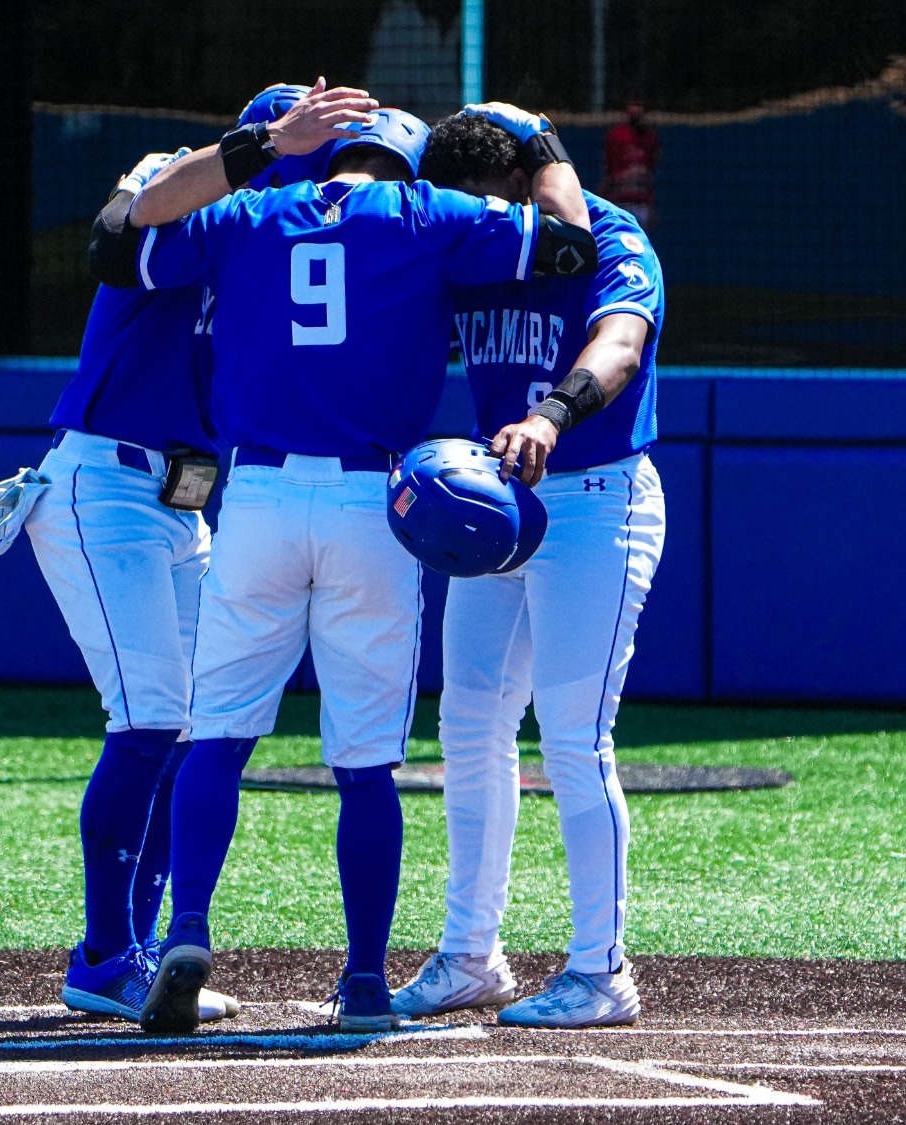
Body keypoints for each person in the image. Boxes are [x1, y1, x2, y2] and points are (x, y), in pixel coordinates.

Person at [90, 98, 599, 1034]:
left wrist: (250, 151)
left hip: (260, 503)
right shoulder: (429, 214)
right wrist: (542, 145)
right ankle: (365, 975)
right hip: (378, 505)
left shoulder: (248, 213)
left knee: (218, 740)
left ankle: (187, 931)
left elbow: (123, 236)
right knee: (366, 766)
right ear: (406, 162)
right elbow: (573, 244)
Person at [0, 81, 367, 1027]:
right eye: (303, 144)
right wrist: (264, 144)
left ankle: (139, 952)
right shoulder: (181, 181)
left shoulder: (289, 233)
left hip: (182, 497)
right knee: (150, 717)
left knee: (193, 726)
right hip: (102, 480)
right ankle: (104, 954)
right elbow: (122, 223)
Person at [387, 110, 665, 1028]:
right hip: (496, 506)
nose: (480, 224)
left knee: (574, 737)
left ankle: (603, 969)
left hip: (595, 496)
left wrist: (551, 412)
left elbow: (618, 344)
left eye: (492, 204)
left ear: (528, 185)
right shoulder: (474, 237)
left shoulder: (614, 236)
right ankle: (472, 954)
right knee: (467, 725)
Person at [600, 100, 658, 229]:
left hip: (641, 203)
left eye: (639, 105)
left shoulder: (649, 137)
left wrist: (650, 205)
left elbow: (650, 173)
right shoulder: (615, 135)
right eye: (633, 105)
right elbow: (608, 169)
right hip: (618, 202)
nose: (636, 110)